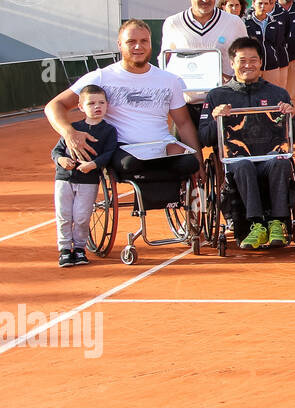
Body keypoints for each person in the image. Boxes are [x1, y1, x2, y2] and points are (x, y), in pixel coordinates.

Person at [46, 20, 201, 188]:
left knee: (189, 164)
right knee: (129, 164)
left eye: (144, 41)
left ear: (150, 44)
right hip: (124, 150)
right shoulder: (101, 77)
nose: (138, 46)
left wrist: (198, 159)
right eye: (131, 42)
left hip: (161, 146)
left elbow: (183, 123)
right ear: (120, 45)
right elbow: (54, 105)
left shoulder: (170, 80)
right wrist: (69, 133)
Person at [198, 37, 295, 251]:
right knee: (242, 165)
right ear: (232, 63)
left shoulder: (277, 94)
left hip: (268, 159)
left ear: (261, 62)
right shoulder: (217, 96)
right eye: (242, 61)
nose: (248, 65)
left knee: (281, 163)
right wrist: (216, 119)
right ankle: (254, 225)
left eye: (253, 60)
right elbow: (204, 138)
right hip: (236, 163)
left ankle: (278, 222)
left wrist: (290, 118)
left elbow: (292, 137)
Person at [51, 85, 119, 266]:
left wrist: (94, 164)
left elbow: (109, 152)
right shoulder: (73, 128)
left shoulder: (109, 131)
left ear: (107, 105)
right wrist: (61, 161)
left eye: (101, 103)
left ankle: (80, 249)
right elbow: (56, 151)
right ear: (81, 107)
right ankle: (65, 249)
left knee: (82, 216)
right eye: (91, 103)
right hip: (64, 179)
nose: (97, 106)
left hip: (88, 180)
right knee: (64, 215)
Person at [159, 0, 249, 92]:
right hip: (184, 100)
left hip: (224, 100)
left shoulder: (234, 22)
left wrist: (232, 81)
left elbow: (247, 59)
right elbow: (165, 60)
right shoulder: (173, 23)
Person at [244, 0, 287, 89]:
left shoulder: (275, 23)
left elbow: (279, 45)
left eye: (266, 3)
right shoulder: (246, 23)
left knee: (273, 97)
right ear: (253, 4)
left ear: (270, 6)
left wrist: (280, 64)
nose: (263, 6)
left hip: (272, 67)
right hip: (253, 68)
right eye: (260, 3)